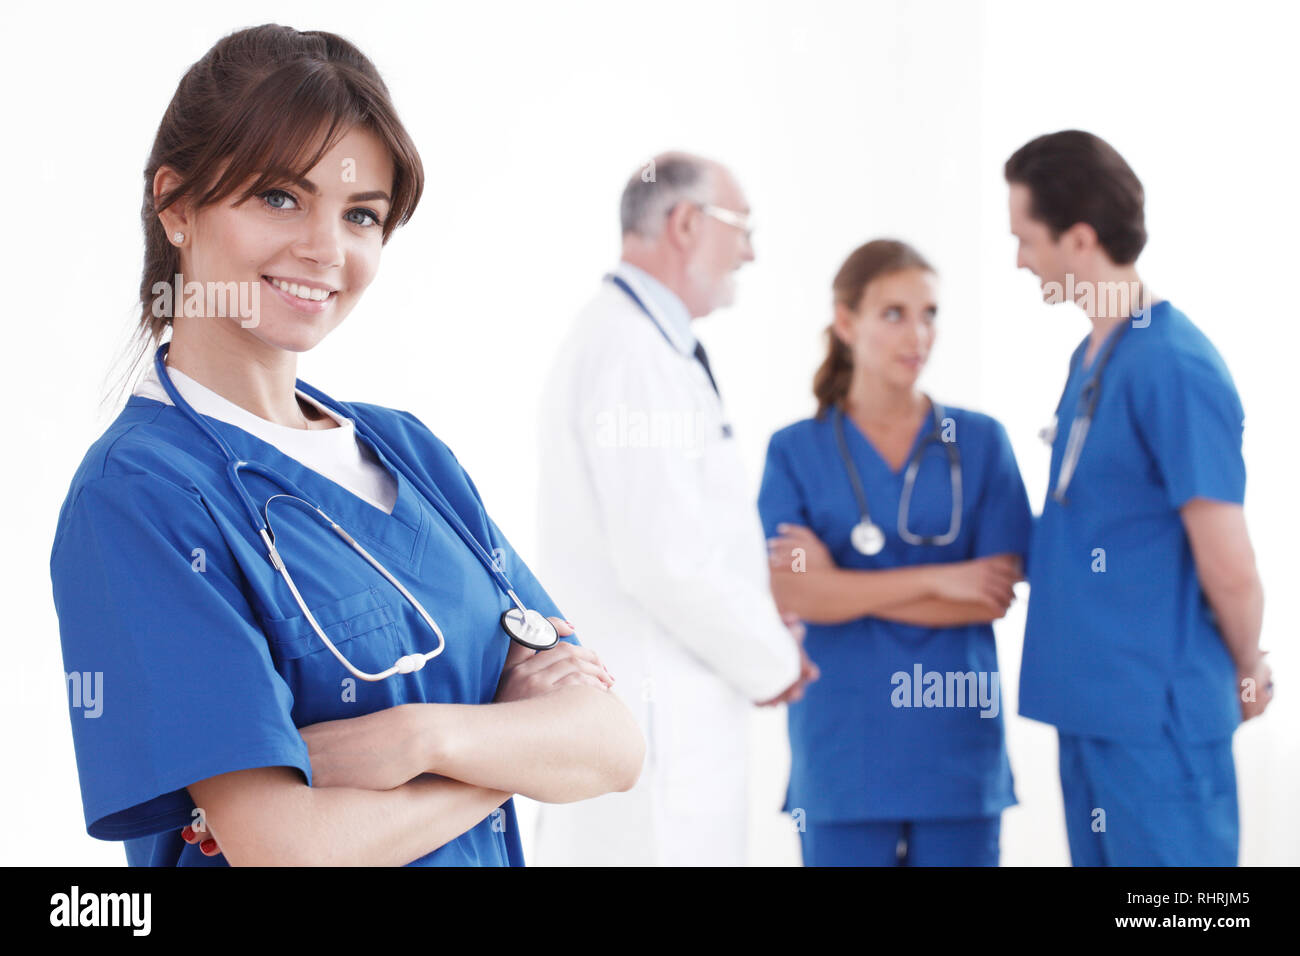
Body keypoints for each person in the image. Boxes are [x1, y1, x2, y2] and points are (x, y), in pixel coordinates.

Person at [48, 24, 643, 868]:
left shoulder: (408, 452)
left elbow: (611, 744)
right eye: (281, 198)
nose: (326, 250)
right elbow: (287, 849)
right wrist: (515, 754)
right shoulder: (141, 494)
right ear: (176, 205)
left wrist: (413, 738)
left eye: (360, 214)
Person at [531, 152, 813, 866]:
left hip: (669, 716)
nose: (750, 251)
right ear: (686, 222)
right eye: (742, 228)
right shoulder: (630, 351)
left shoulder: (648, 345)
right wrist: (773, 659)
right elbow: (666, 562)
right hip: (655, 732)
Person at [1006, 129, 1271, 866]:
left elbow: (1230, 563)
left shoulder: (1174, 366)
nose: (1019, 260)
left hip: (1159, 718)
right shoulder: (1092, 357)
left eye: (1026, 239)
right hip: (1092, 708)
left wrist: (1247, 666)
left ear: (1079, 239)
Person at [758, 239, 1032, 866]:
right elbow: (793, 591)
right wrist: (946, 578)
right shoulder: (795, 452)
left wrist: (843, 589)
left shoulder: (981, 443)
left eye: (930, 313)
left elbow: (987, 597)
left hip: (956, 755)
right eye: (894, 313)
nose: (919, 334)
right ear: (846, 320)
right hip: (843, 756)